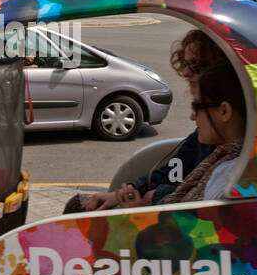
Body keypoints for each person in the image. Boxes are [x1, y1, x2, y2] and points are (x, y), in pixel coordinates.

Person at [69, 30, 226, 212]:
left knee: (78, 208)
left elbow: (194, 206)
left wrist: (146, 203)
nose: (185, 72)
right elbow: (174, 169)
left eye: (196, 65)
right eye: (185, 63)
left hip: (162, 222)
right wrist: (129, 191)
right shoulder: (207, 134)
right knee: (80, 204)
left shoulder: (228, 157)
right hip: (157, 208)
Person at [162, 63, 250, 203]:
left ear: (224, 111)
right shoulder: (227, 159)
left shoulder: (228, 174)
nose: (192, 117)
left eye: (197, 106)